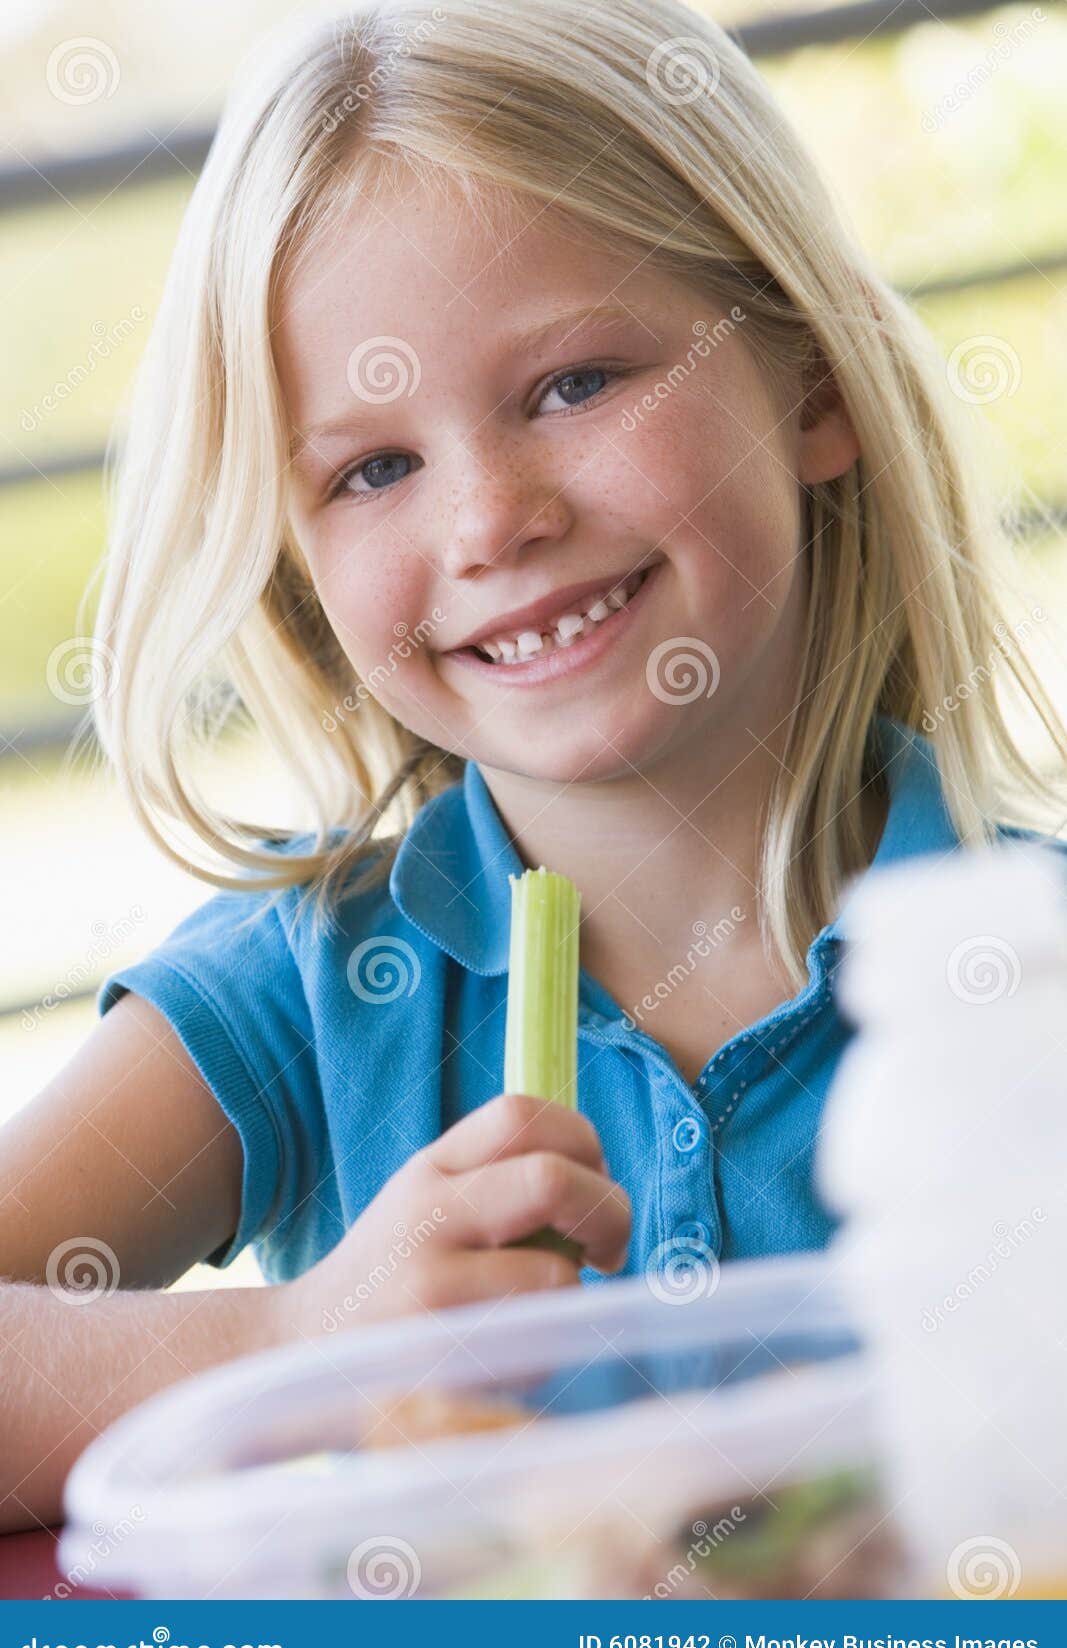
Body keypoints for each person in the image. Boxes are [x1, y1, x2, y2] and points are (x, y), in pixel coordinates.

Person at [1, 0, 1063, 1530]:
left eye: (573, 385)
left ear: (814, 384)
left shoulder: (1028, 974)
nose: (490, 520)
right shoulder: (305, 994)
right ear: (299, 569)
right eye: (374, 468)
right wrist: (301, 1344)